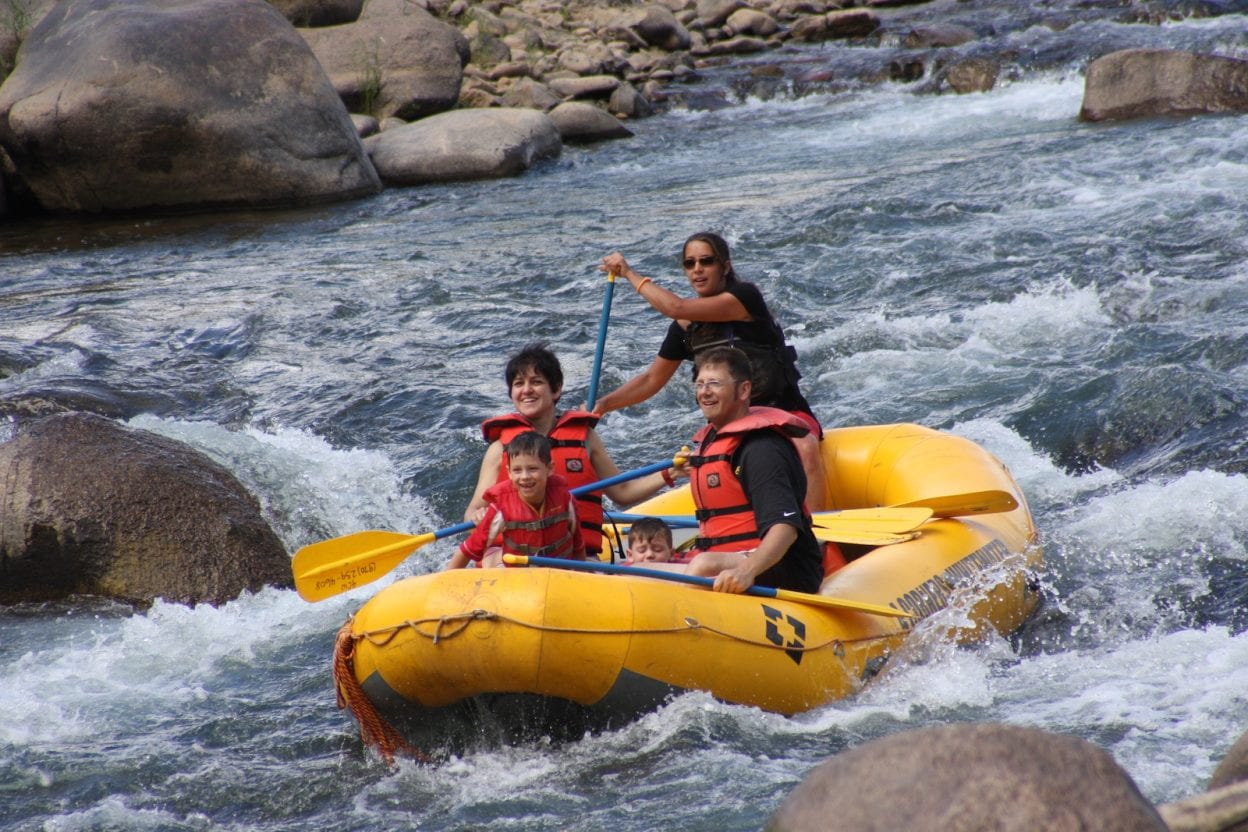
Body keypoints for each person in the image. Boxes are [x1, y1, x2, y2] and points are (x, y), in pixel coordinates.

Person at [596, 232, 826, 510]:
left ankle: (815, 529)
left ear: (725, 267)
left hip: (783, 409)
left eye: (706, 261)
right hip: (729, 421)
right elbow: (651, 380)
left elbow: (675, 306)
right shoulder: (684, 329)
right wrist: (603, 405)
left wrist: (628, 273)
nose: (697, 269)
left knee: (804, 448)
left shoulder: (744, 298)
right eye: (690, 263)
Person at [465, 342, 679, 556]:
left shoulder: (586, 439)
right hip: (513, 557)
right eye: (518, 384)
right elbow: (472, 511)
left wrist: (670, 473)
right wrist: (478, 515)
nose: (526, 390)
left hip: (576, 556)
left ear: (556, 389)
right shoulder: (500, 448)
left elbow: (623, 492)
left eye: (536, 382)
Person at [679, 346, 824, 594]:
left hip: (785, 566)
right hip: (732, 555)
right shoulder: (716, 443)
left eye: (714, 384)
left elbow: (785, 529)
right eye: (700, 384)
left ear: (744, 390)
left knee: (703, 565)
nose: (704, 392)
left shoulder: (761, 450)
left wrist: (747, 571)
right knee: (641, 567)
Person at [448, 432, 585, 569]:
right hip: (516, 572)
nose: (525, 476)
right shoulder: (500, 509)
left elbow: (578, 545)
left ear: (550, 469)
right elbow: (468, 550)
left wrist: (583, 573)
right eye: (517, 470)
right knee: (493, 560)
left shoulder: (565, 498)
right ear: (509, 473)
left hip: (558, 570)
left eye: (532, 469)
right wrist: (447, 578)